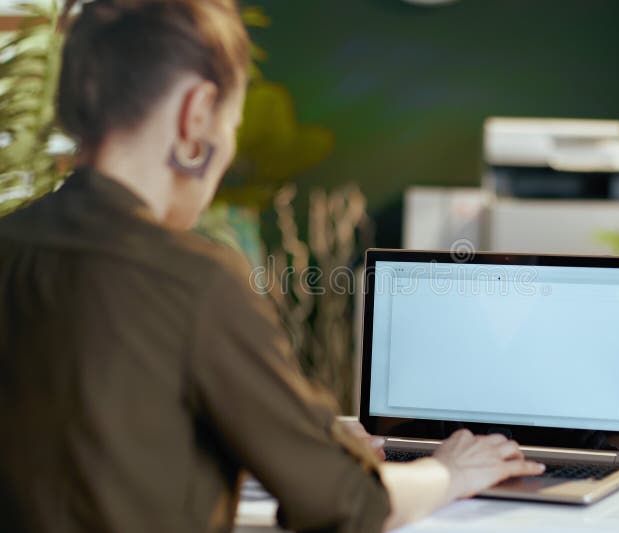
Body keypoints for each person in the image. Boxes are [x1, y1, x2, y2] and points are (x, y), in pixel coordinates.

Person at [0, 1, 544, 532]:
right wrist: (450, 471)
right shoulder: (195, 282)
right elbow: (346, 505)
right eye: (232, 122)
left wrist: (300, 442)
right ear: (196, 114)